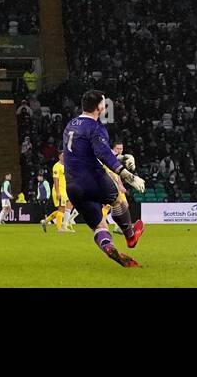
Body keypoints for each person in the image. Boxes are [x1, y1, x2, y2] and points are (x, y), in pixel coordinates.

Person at [61, 90, 146, 267]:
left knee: (99, 226)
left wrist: (121, 157)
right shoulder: (95, 127)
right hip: (93, 178)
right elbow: (102, 153)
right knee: (117, 201)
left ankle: (108, 246)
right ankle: (131, 237)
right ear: (99, 106)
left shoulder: (71, 125)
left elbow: (88, 151)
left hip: (73, 186)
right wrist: (129, 176)